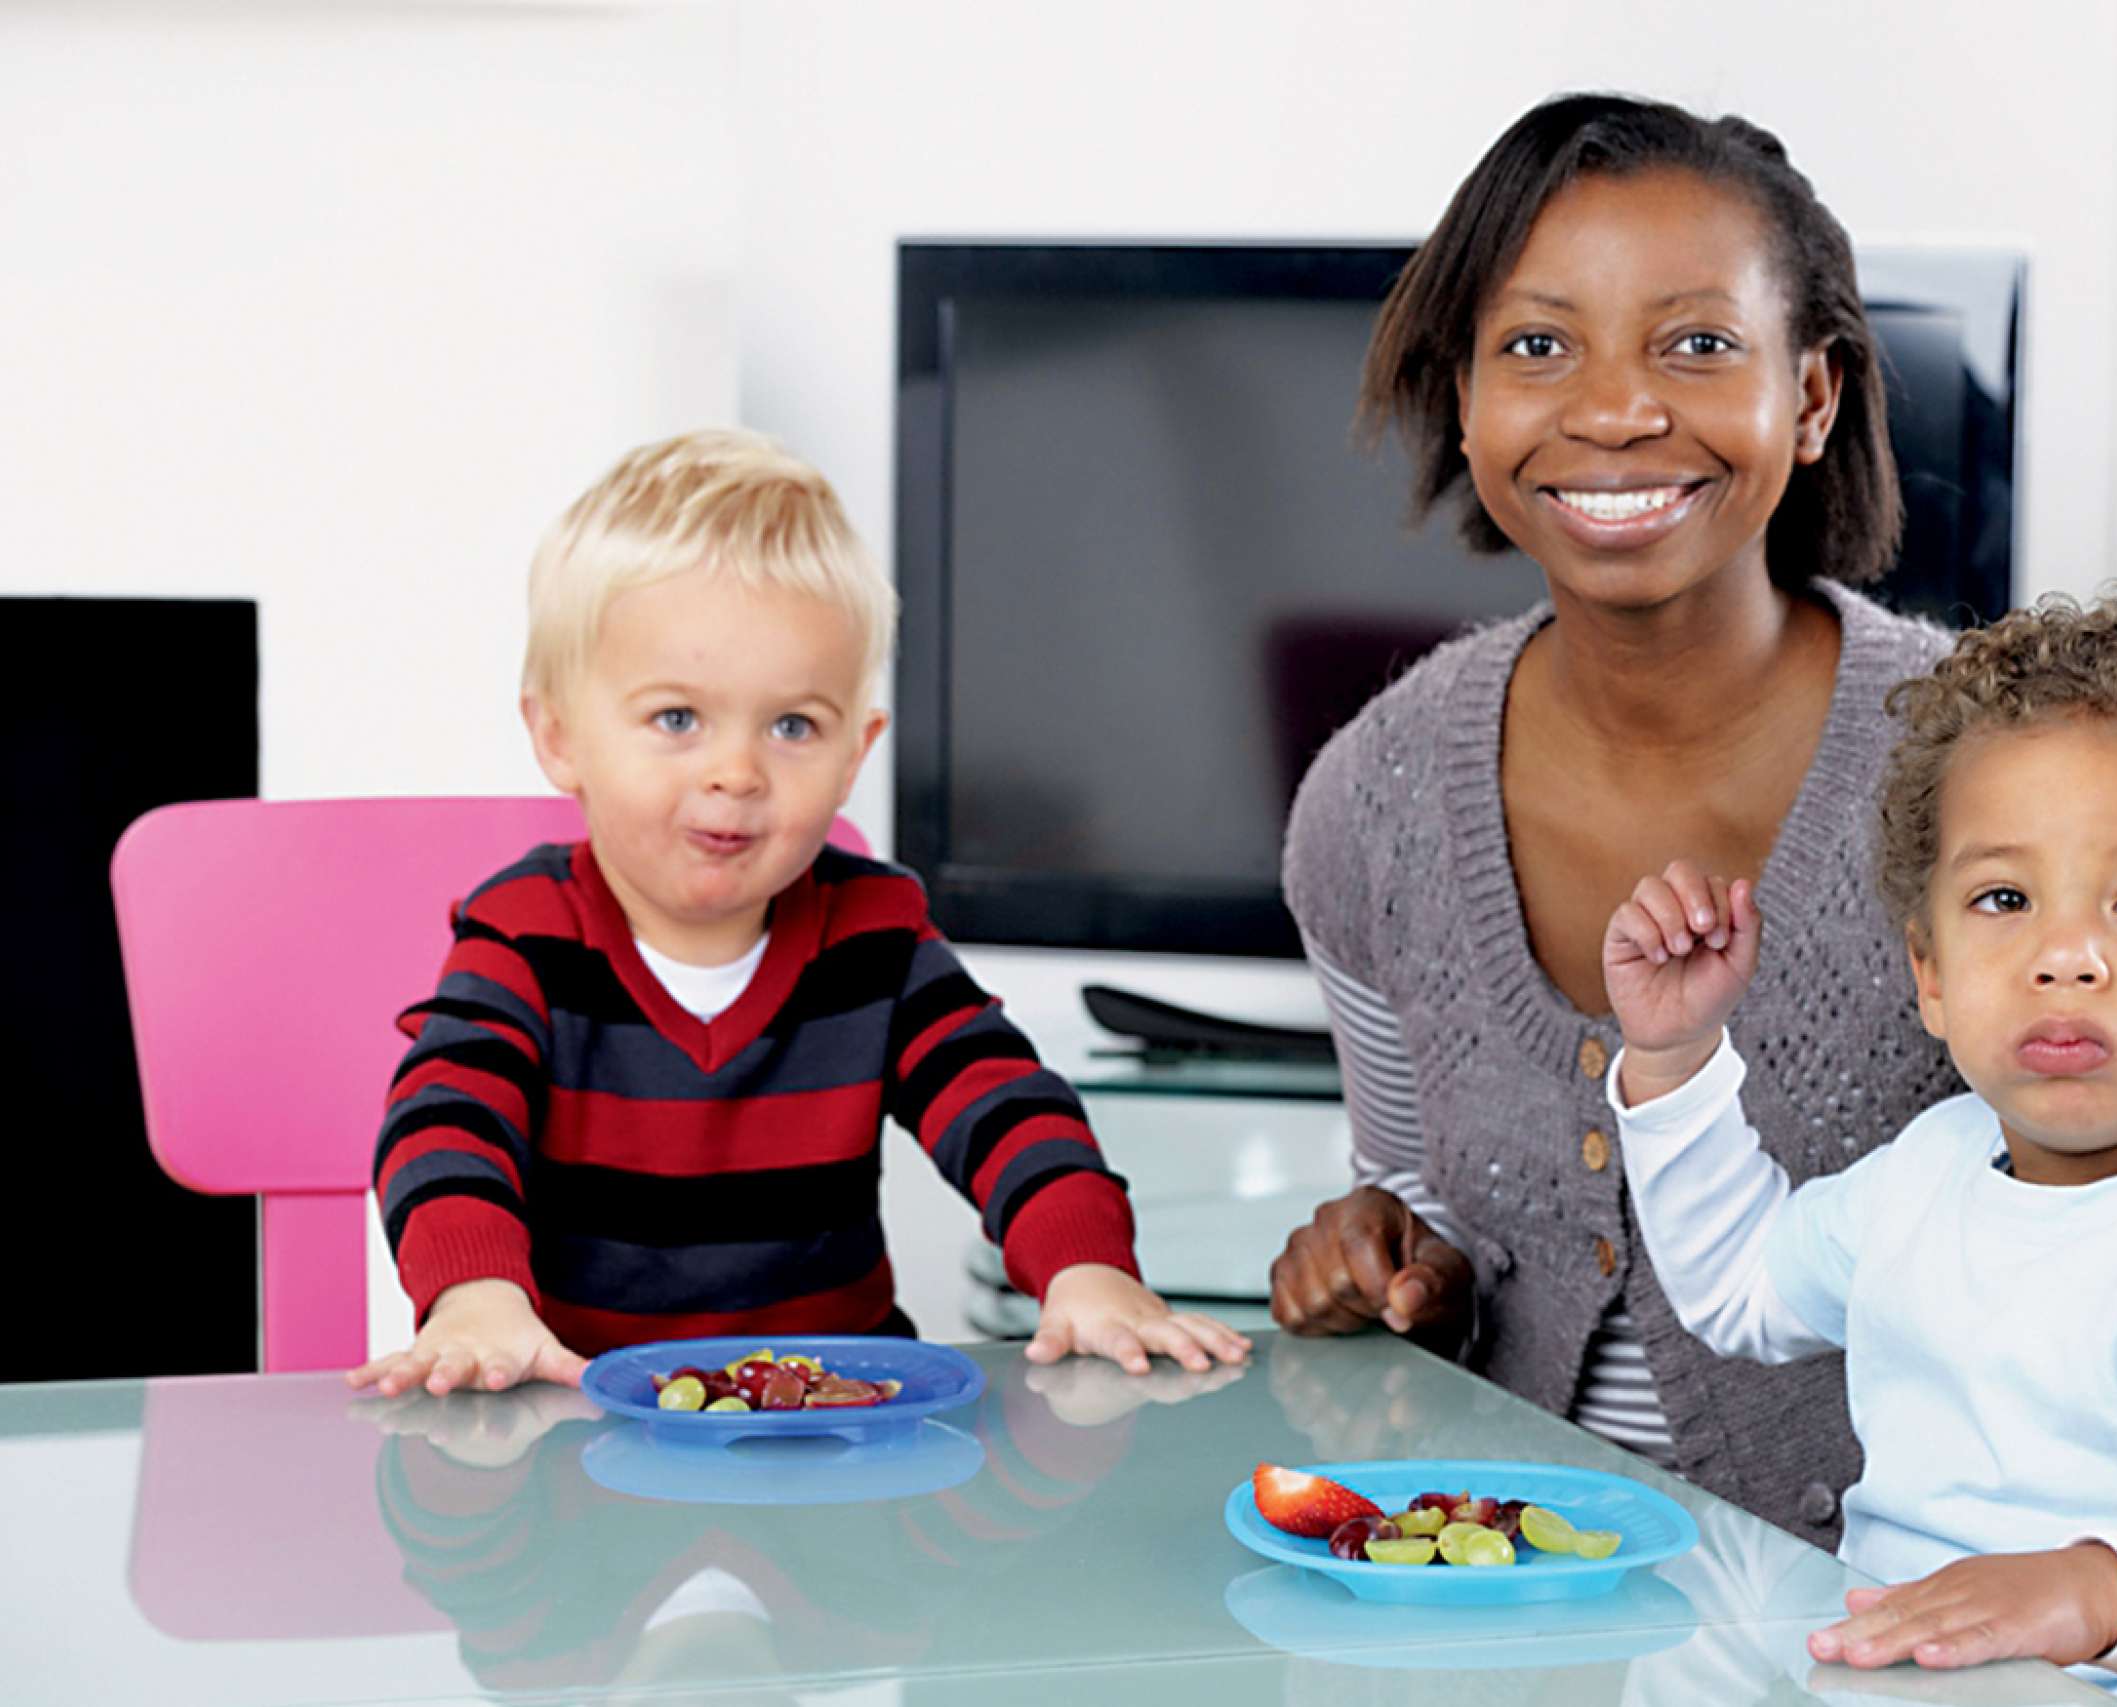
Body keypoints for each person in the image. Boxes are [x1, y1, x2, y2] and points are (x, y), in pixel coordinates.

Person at [1270, 91, 1961, 1541]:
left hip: (1894, 1611)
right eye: (1536, 344)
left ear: (1815, 394)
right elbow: (1414, 1186)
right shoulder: (1370, 802)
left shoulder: (1990, 773)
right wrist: (1402, 1260)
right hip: (1499, 1593)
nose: (1614, 407)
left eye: (1699, 343)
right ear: (1466, 397)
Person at [1604, 591, 2117, 1707]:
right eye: (2002, 897)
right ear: (1929, 975)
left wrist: (2099, 1593)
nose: (2066, 954)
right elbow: (1741, 1290)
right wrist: (1678, 1058)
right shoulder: (1936, 1165)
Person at [349, 429, 1250, 1399]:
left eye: (792, 726)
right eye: (677, 719)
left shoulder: (878, 935)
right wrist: (476, 1295)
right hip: (582, 1421)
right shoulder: (525, 932)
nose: (736, 772)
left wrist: (1088, 1269)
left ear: (855, 752)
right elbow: (446, 1123)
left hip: (832, 1428)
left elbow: (1007, 1109)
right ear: (560, 736)